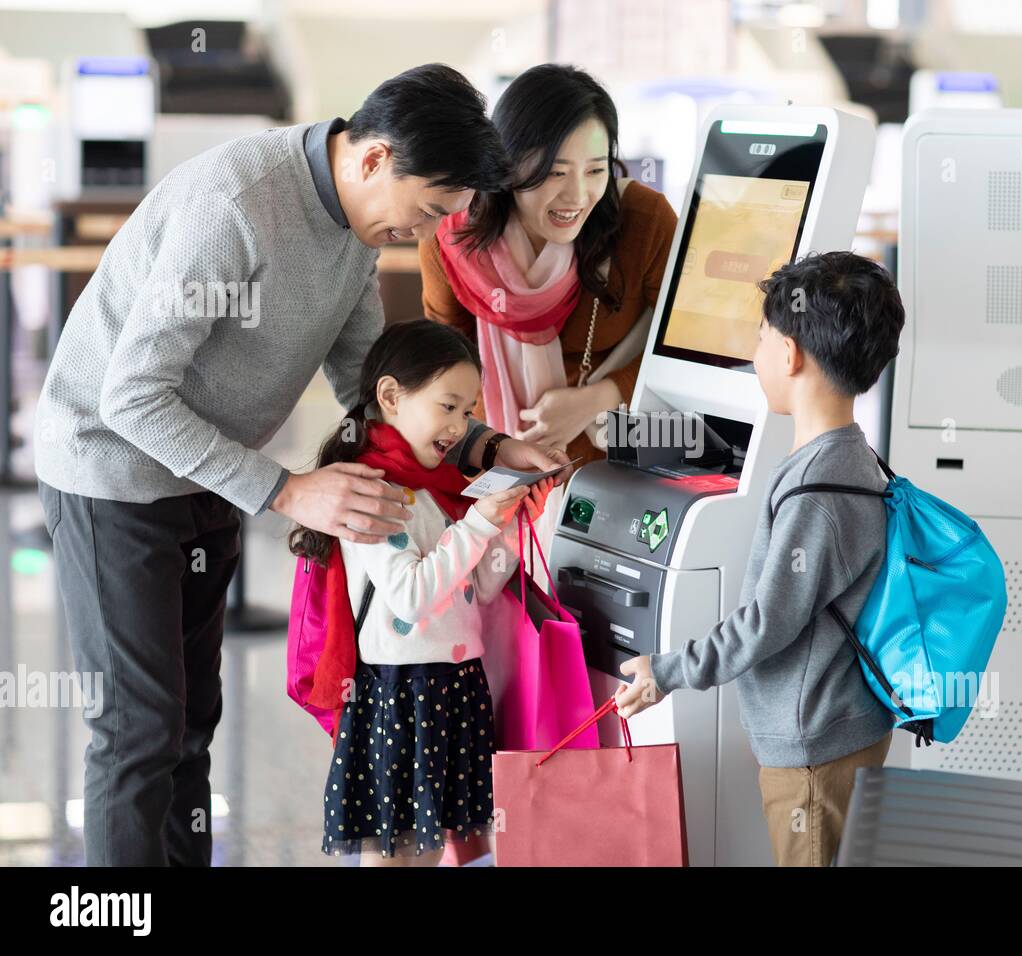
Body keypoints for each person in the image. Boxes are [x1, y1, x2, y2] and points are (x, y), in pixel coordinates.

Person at [33, 64, 562, 867]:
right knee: (137, 730)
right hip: (114, 472)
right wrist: (284, 490)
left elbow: (369, 388)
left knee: (190, 723)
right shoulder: (237, 208)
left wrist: (483, 448)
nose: (424, 234)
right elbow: (131, 398)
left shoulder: (354, 232)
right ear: (376, 159)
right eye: (426, 211)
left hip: (208, 471)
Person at [614, 251, 908, 867]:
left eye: (760, 336)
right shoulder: (843, 460)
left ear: (791, 354)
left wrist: (667, 672)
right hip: (828, 729)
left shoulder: (818, 493)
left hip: (812, 750)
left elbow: (768, 621)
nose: (755, 352)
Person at [292, 320, 554, 866]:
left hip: (454, 688)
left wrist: (506, 525)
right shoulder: (373, 492)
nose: (462, 427)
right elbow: (413, 595)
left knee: (431, 855)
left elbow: (476, 589)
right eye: (449, 406)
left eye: (469, 410)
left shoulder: (436, 491)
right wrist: (480, 524)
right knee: (394, 855)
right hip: (398, 693)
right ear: (390, 397)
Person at [420, 63, 678, 468]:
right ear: (509, 162)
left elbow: (687, 347)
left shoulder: (642, 220)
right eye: (555, 172)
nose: (577, 195)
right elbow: (445, 369)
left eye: (595, 170)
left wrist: (601, 396)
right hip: (496, 464)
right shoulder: (453, 239)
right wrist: (489, 450)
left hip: (614, 469)